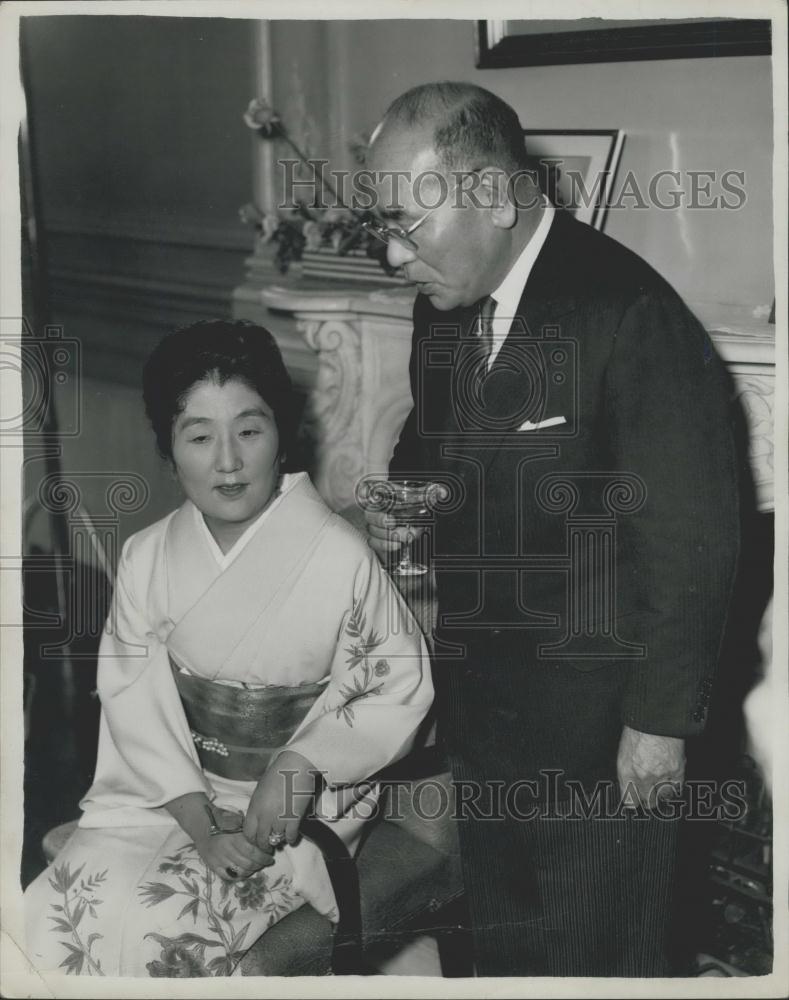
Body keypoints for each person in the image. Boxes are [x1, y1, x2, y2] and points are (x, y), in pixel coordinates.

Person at [364, 82, 740, 976]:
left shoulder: (627, 314)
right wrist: (411, 497)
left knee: (601, 964)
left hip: (601, 743)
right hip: (490, 719)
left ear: (493, 195)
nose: (390, 253)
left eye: (406, 228)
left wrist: (657, 727)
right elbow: (443, 446)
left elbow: (693, 534)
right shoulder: (445, 311)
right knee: (507, 963)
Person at [24, 320, 433, 978]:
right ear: (168, 447)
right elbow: (133, 704)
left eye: (249, 430)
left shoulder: (337, 556)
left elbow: (396, 683)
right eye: (198, 435)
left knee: (170, 940)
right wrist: (200, 824)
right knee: (53, 920)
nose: (227, 461)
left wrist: (299, 763)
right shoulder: (148, 555)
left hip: (293, 813)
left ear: (282, 433)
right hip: (170, 795)